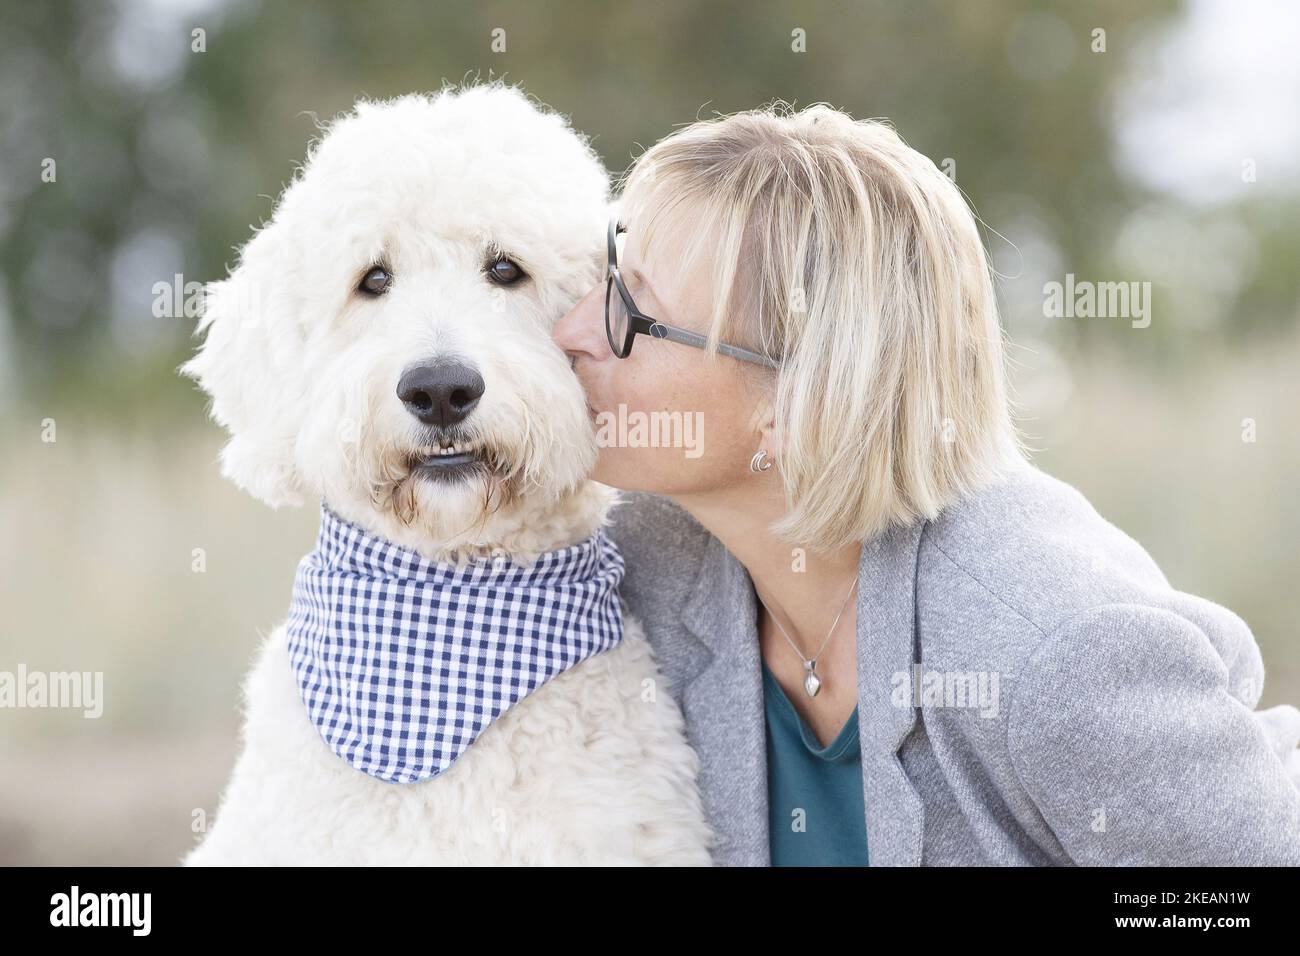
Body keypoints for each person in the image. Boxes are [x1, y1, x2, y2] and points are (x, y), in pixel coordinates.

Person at [552, 101, 1300, 866]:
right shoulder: (638, 554)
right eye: (607, 273)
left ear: (795, 404)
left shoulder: (1053, 647)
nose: (572, 330)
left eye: (631, 311)